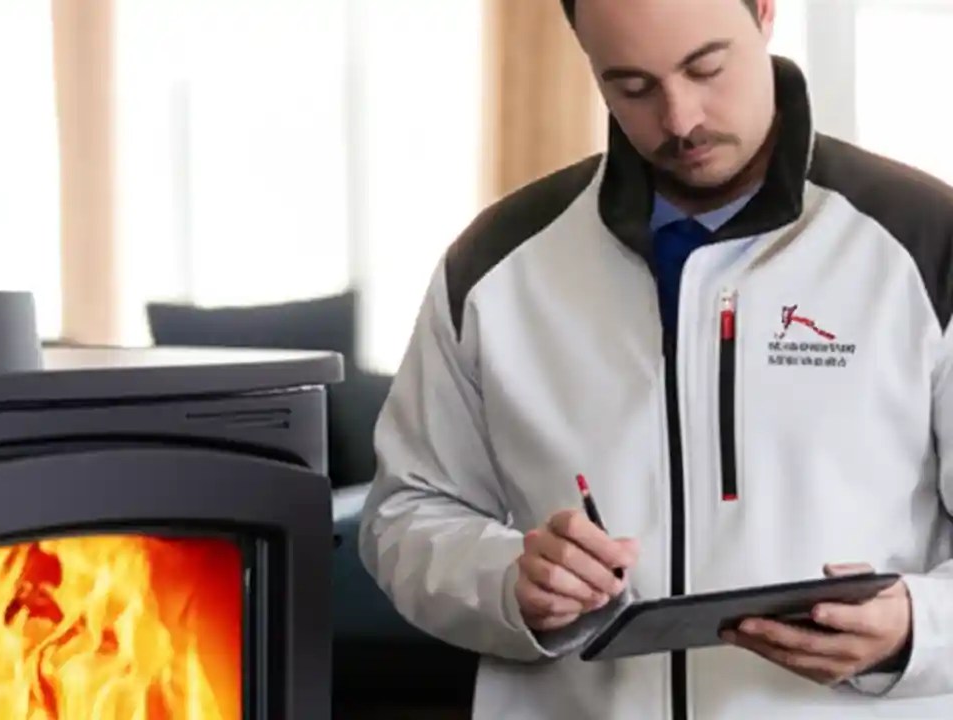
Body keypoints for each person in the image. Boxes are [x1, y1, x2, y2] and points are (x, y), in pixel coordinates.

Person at [356, 0, 953, 718]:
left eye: (707, 68)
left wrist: (916, 630)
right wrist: (504, 580)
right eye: (632, 86)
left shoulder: (926, 242)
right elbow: (405, 514)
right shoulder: (495, 266)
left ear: (765, 12)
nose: (680, 120)